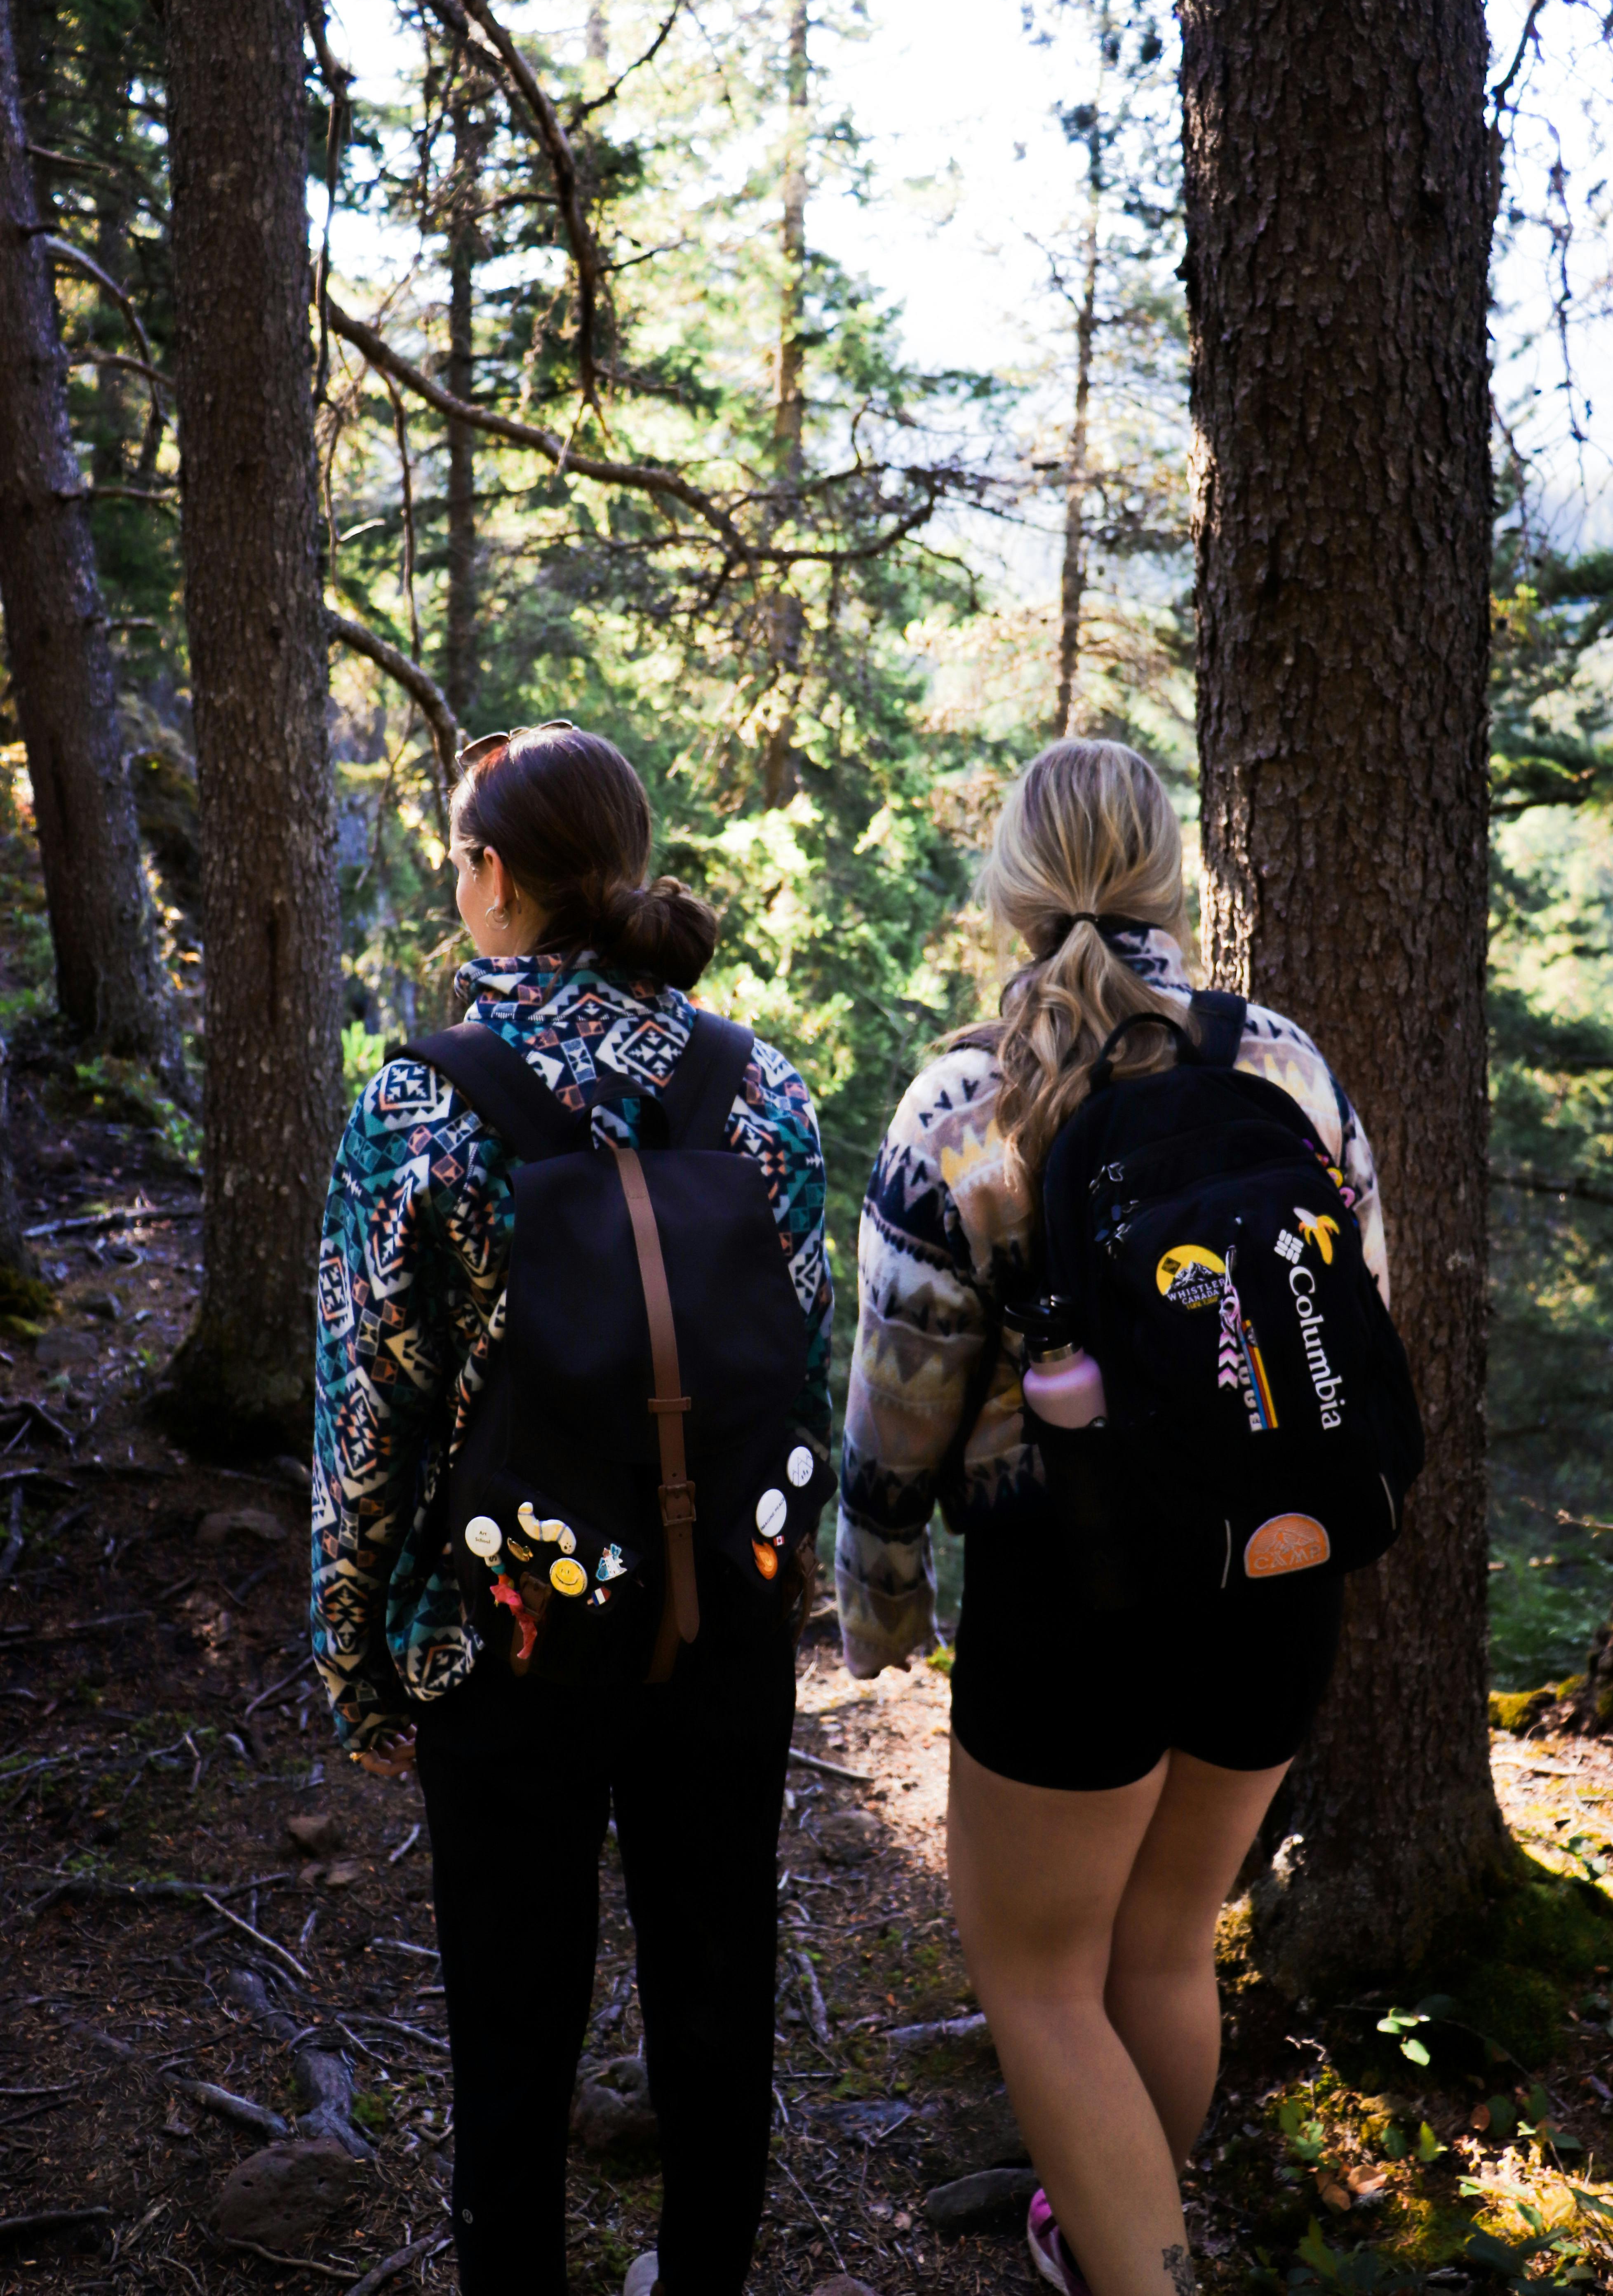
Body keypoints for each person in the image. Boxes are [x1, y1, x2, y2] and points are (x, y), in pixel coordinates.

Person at [836, 739, 1386, 2296]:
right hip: (1276, 1572)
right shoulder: (1284, 1061)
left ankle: (1132, 2267)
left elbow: (900, 1404)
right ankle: (1103, 2236)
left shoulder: (964, 1095)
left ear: (1013, 880)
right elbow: (1361, 1319)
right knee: (1161, 1948)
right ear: (1170, 873)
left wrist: (879, 1608)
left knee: (1039, 1979)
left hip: (1071, 1592)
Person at [310, 723, 833, 2296]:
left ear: (493, 878)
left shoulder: (425, 1105)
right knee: (720, 1988)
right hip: (723, 1617)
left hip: (510, 1630)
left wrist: (363, 1664)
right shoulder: (763, 1089)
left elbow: (366, 1422)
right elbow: (795, 1353)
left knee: (515, 2027)